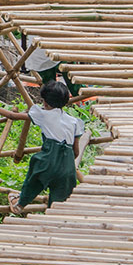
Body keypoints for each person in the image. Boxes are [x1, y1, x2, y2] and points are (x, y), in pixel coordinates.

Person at [12, 79, 87, 211]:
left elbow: (12, 115)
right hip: (67, 167)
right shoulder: (75, 122)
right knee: (61, 198)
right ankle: (55, 214)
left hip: (48, 161)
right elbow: (76, 152)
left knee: (34, 179)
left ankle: (20, 204)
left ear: (45, 102)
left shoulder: (43, 115)